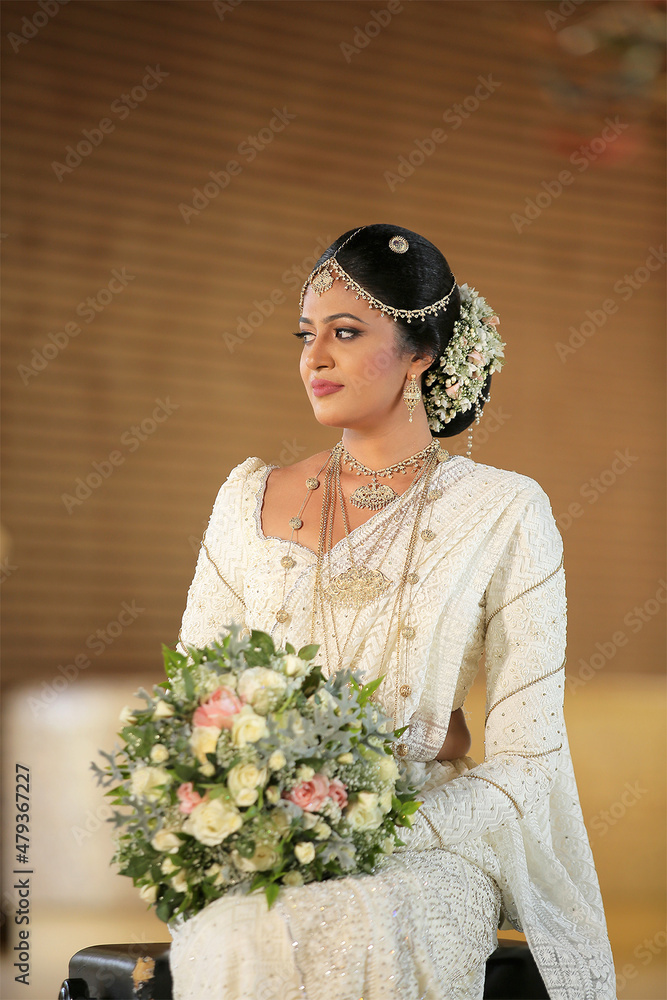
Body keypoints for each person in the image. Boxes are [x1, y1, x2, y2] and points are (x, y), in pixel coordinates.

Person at [169, 224, 616, 999]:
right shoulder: (245, 500)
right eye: (306, 335)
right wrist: (274, 825)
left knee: (364, 920)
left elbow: (530, 762)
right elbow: (197, 710)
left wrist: (368, 828)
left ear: (423, 353)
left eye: (346, 333)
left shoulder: (502, 511)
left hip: (429, 845)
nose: (314, 358)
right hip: (270, 845)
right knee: (242, 933)